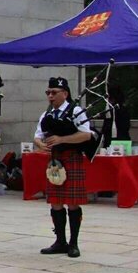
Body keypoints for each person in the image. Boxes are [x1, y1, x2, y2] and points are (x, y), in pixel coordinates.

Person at [34, 77, 94, 258]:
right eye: (48, 93)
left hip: (71, 157)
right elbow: (37, 135)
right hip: (55, 159)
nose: (50, 96)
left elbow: (86, 135)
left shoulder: (75, 110)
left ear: (65, 94)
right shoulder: (46, 114)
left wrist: (62, 139)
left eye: (54, 92)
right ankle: (60, 241)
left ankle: (73, 243)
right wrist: (40, 144)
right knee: (56, 202)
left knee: (73, 202)